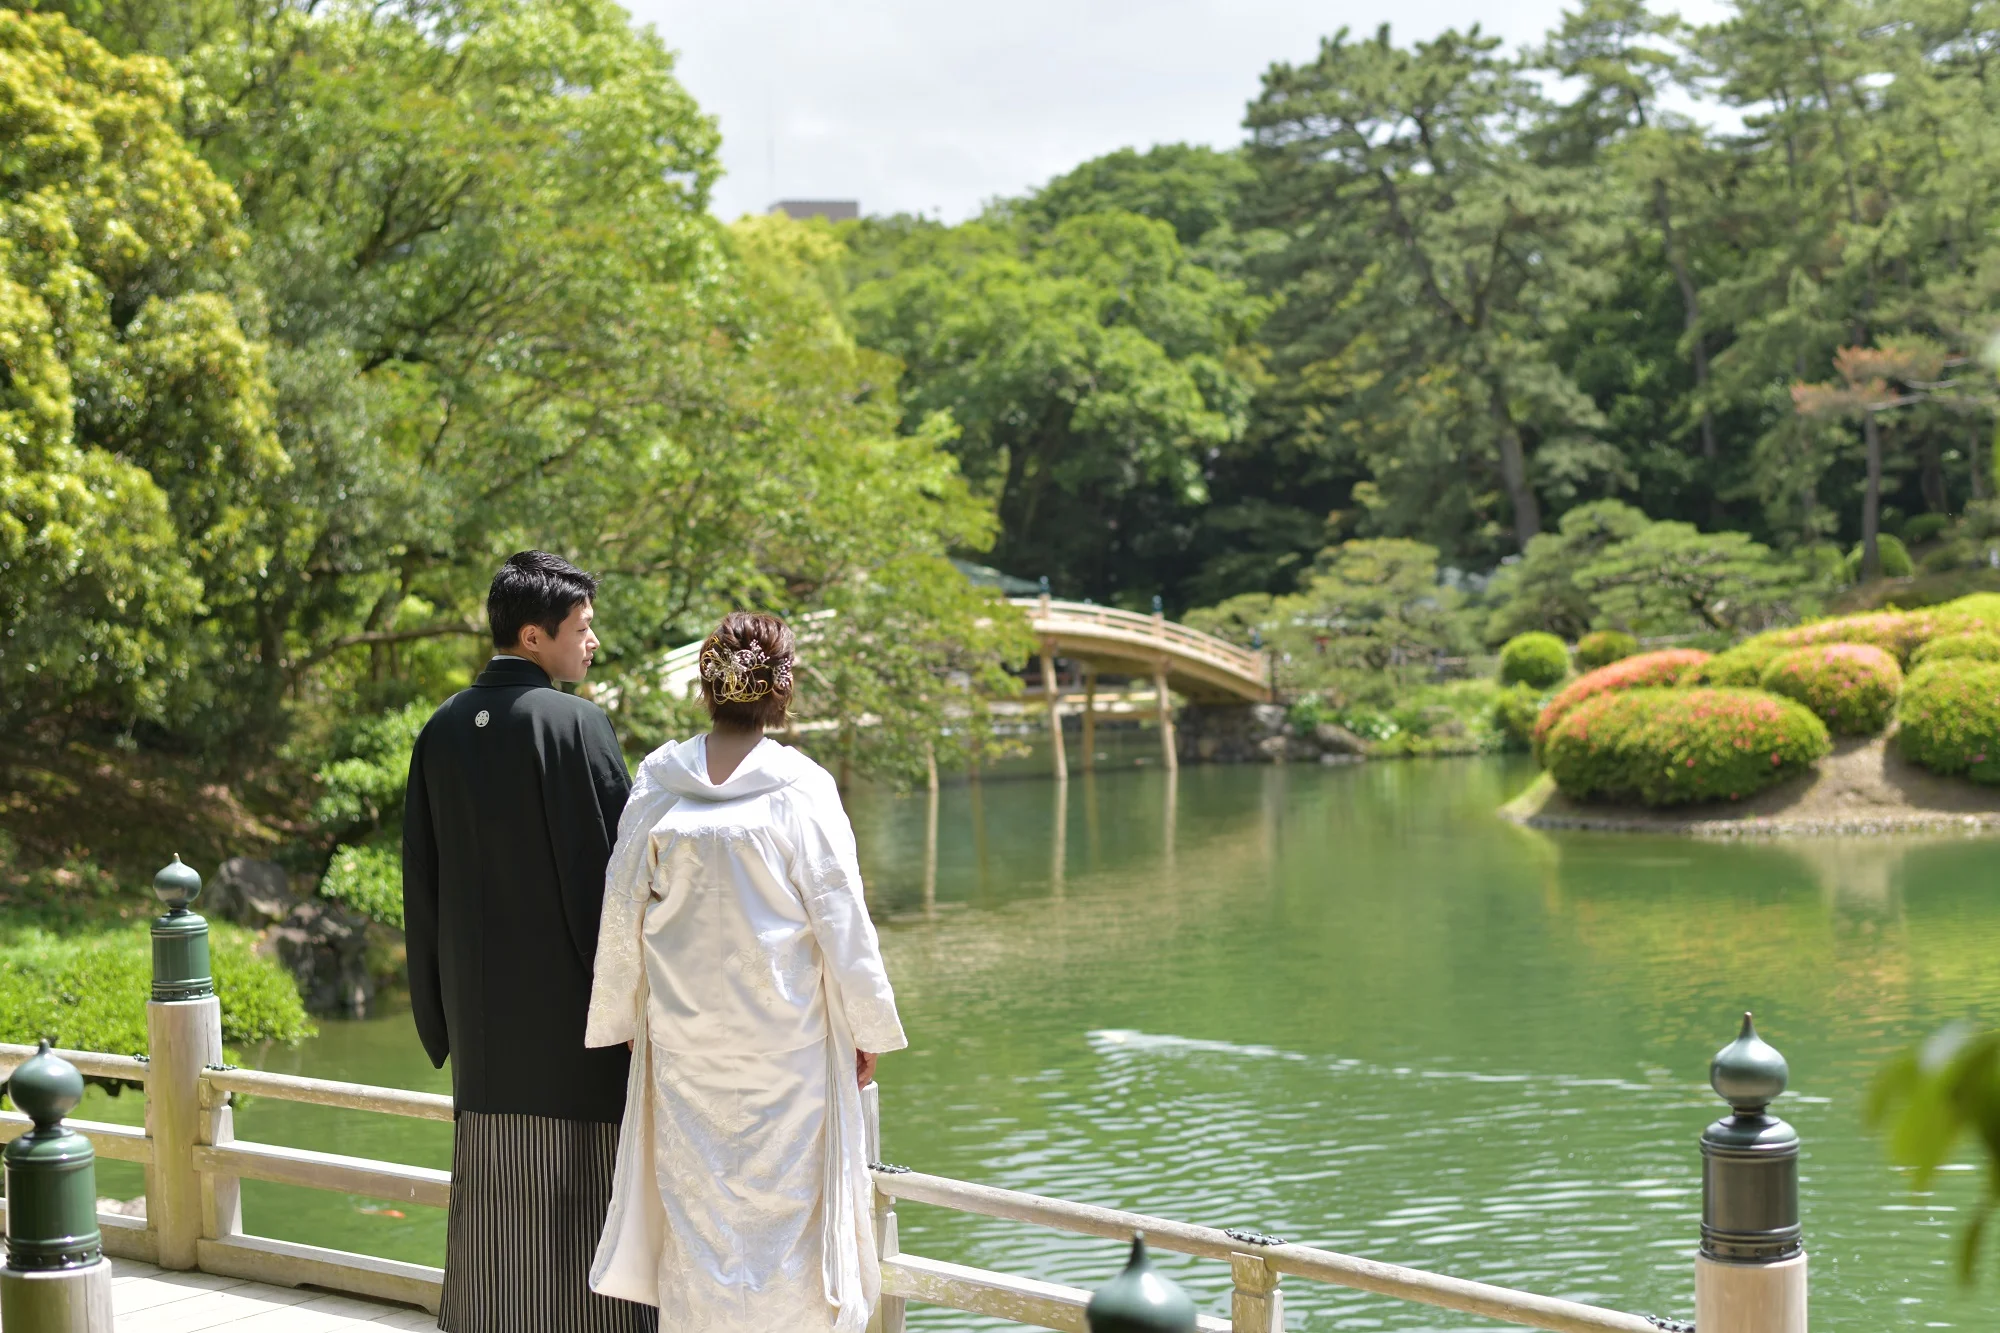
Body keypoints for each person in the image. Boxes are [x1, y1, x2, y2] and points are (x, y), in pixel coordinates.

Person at [583, 611, 907, 1333]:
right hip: (787, 1045)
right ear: (781, 689)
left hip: (685, 1042)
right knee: (788, 1216)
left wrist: (626, 1015)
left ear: (708, 686)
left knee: (700, 1213)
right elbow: (841, 917)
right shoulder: (800, 787)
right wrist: (867, 1026)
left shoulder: (662, 782)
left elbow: (622, 904)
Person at [401, 551, 654, 1333]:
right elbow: (616, 882)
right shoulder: (575, 725)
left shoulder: (441, 728)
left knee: (497, 1213)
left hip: (482, 1032)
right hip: (573, 1026)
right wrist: (635, 1003)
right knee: (587, 1200)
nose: (593, 641)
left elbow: (421, 885)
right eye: (582, 628)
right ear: (535, 635)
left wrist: (438, 1015)